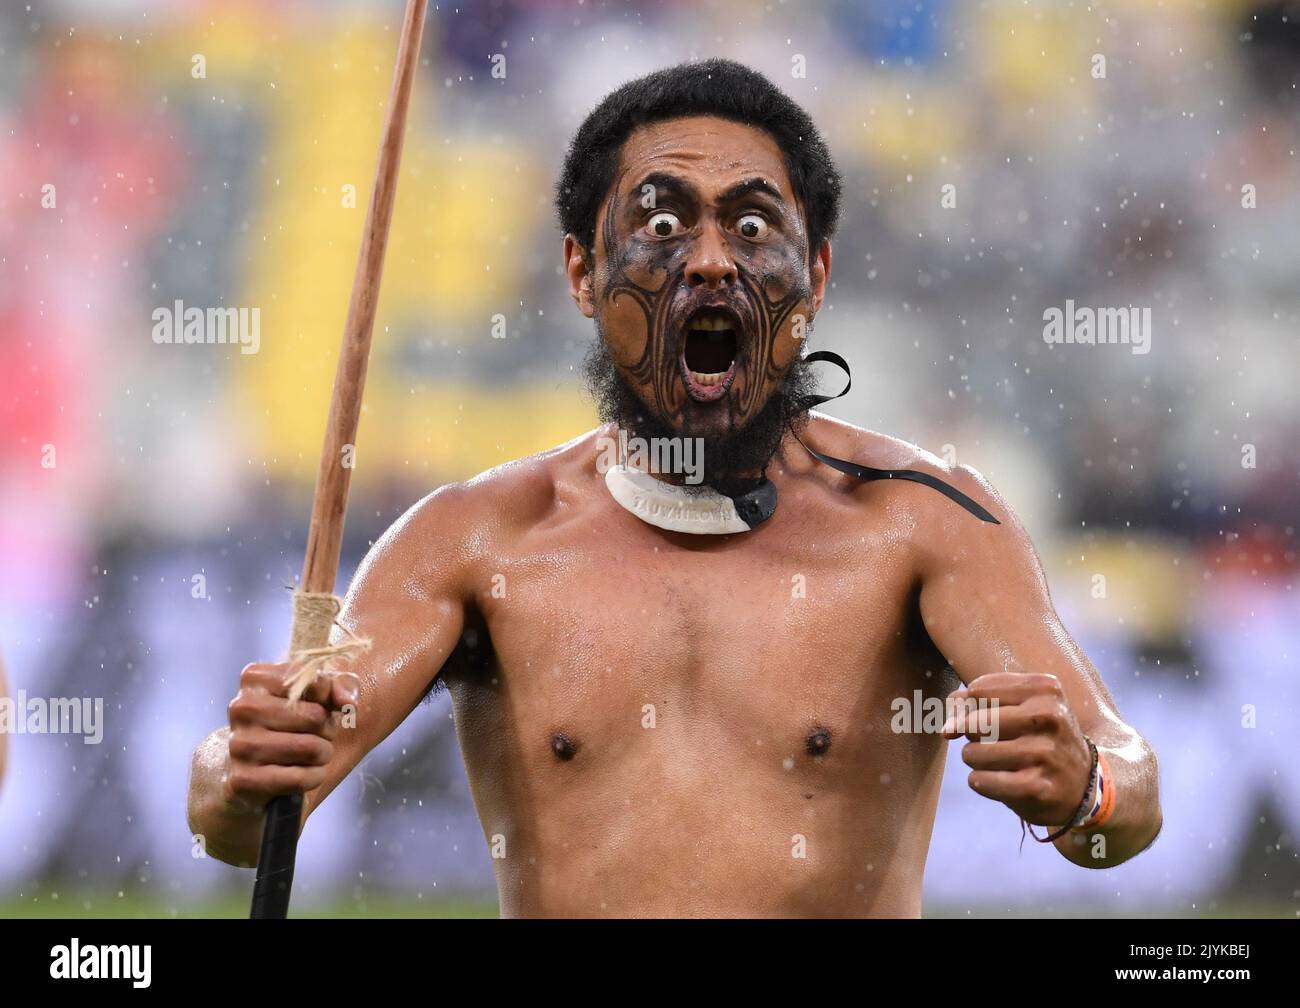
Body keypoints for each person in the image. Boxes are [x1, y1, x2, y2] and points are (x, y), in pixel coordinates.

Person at [187, 59, 1161, 917]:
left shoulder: (925, 521)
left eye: (751, 223)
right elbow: (242, 823)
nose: (707, 258)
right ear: (580, 269)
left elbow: (1131, 800)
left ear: (815, 274)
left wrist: (1086, 796)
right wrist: (240, 775)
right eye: (660, 221)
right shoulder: (473, 538)